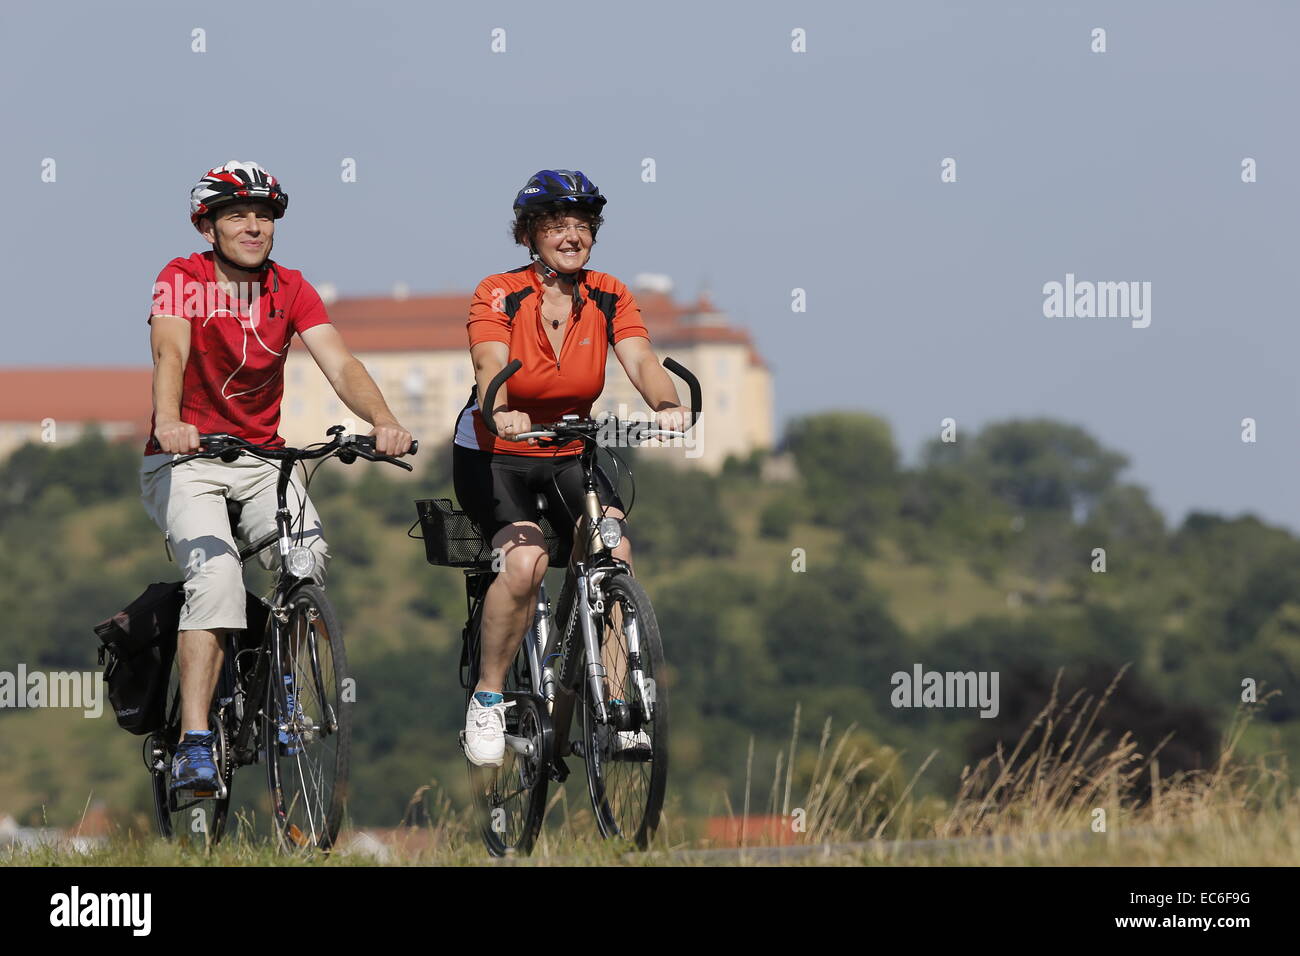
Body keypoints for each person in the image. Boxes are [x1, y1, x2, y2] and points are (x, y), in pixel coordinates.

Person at [140, 160, 414, 795]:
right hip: (185, 459)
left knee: (307, 557)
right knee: (215, 578)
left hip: (262, 459)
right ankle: (196, 740)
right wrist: (170, 419)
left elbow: (339, 364)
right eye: (237, 214)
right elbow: (170, 351)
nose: (253, 226)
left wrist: (383, 421)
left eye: (264, 215)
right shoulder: (180, 279)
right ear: (206, 225)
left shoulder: (290, 289)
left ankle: (283, 691)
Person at [452, 169, 690, 767]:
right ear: (530, 233)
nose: (571, 235)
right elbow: (489, 361)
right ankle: (487, 697)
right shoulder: (498, 291)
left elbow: (639, 357)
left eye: (582, 225)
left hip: (567, 448)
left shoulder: (608, 293)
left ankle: (614, 700)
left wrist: (665, 404)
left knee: (614, 548)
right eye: (557, 225)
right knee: (526, 560)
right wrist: (500, 409)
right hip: (496, 453)